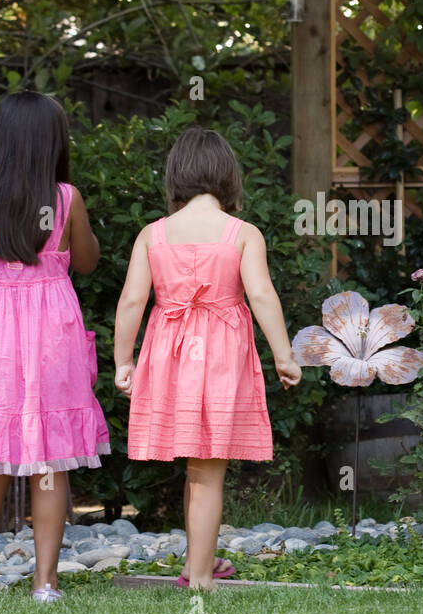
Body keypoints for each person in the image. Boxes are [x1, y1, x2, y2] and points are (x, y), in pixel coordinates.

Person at [0, 91, 107, 603]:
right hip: (53, 337)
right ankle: (44, 585)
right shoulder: (66, 199)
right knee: (50, 466)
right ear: (53, 140)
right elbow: (88, 262)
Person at [114, 127, 301, 590]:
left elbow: (133, 302)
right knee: (207, 471)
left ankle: (197, 562)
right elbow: (259, 293)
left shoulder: (152, 234)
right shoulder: (242, 233)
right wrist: (284, 355)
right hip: (219, 357)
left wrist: (123, 360)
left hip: (170, 357)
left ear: (175, 176)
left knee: (197, 470)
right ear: (228, 177)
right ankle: (200, 578)